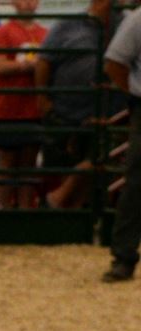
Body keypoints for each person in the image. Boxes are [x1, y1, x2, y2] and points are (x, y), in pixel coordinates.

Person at [37, 0, 109, 210]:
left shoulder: (123, 25)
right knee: (61, 165)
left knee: (99, 159)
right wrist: (44, 101)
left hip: (104, 113)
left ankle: (60, 203)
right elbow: (43, 62)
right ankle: (62, 213)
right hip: (64, 111)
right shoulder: (67, 25)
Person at [0, 0, 47, 208]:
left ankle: (24, 212)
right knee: (8, 162)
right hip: (8, 108)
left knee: (28, 164)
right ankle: (1, 210)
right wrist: (31, 66)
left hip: (34, 108)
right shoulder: (2, 32)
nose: (28, 3)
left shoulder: (45, 33)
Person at [102, 0, 141, 280]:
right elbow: (114, 63)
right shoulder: (138, 19)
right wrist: (134, 95)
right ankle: (124, 256)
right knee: (137, 181)